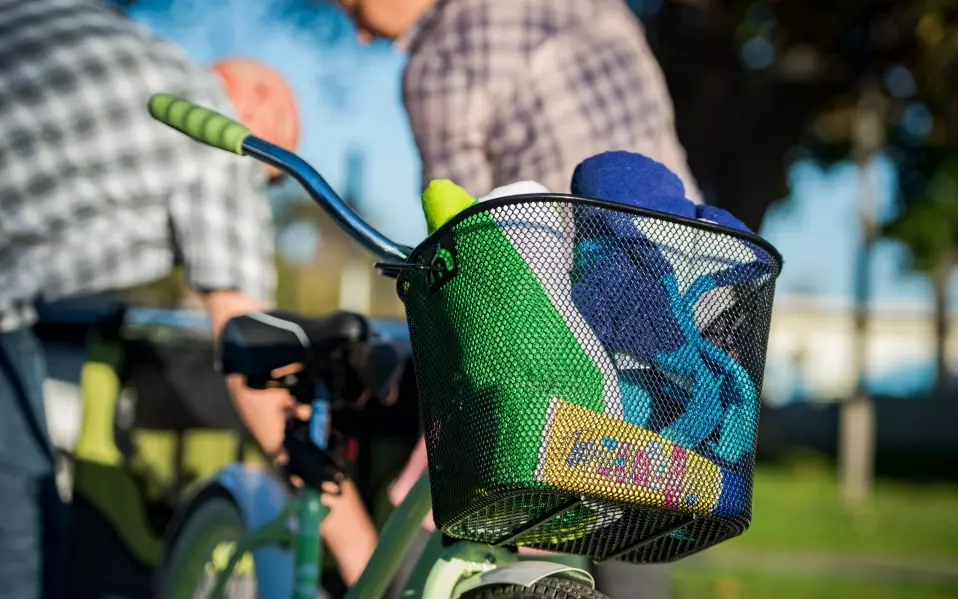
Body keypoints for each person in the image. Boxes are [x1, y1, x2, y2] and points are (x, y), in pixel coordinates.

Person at [0, 1, 375, 596]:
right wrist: (367, 561)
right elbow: (256, 360)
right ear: (259, 107)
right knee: (22, 535)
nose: (265, 184)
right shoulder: (225, 142)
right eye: (271, 179)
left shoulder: (103, 31)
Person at [334, 0, 698, 595]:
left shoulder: (439, 58)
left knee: (440, 493)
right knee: (639, 492)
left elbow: (464, 228)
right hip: (674, 286)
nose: (360, 32)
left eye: (354, 6)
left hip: (557, 298)